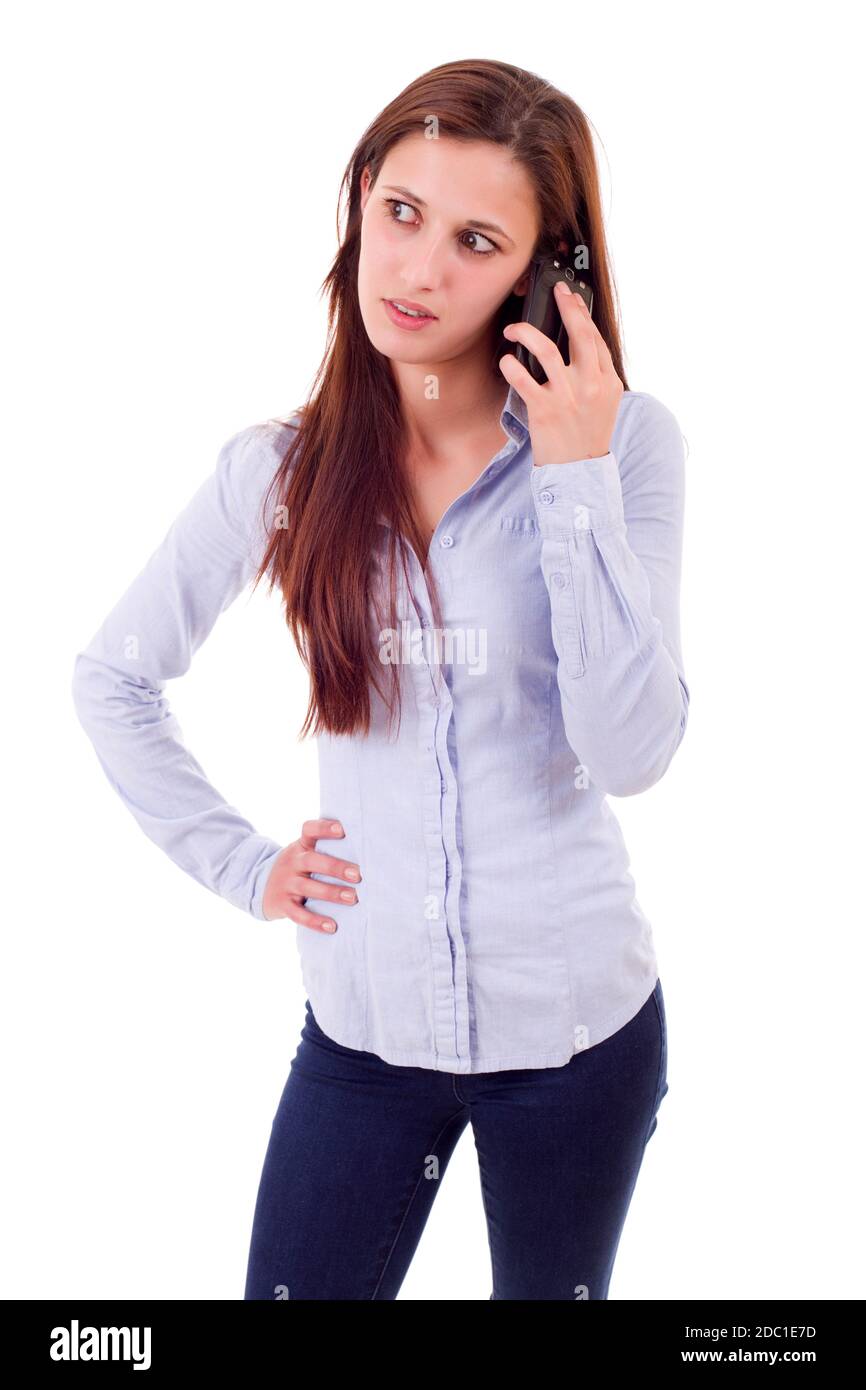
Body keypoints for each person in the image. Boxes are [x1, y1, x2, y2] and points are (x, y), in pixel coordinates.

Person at [71, 58, 688, 1300]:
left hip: (575, 1031)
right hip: (363, 1038)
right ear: (358, 198)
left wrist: (571, 478)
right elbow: (113, 679)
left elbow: (631, 751)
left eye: (474, 240)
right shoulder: (278, 470)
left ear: (538, 271)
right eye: (400, 212)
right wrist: (247, 868)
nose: (416, 270)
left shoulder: (629, 450)